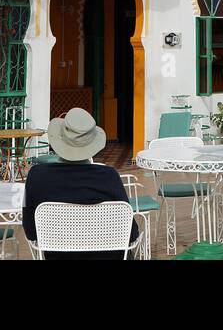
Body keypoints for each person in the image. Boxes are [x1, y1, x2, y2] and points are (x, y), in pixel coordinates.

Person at [22, 108, 138, 259]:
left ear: (59, 140)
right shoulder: (109, 177)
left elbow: (31, 231)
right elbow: (131, 233)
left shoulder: (37, 177)